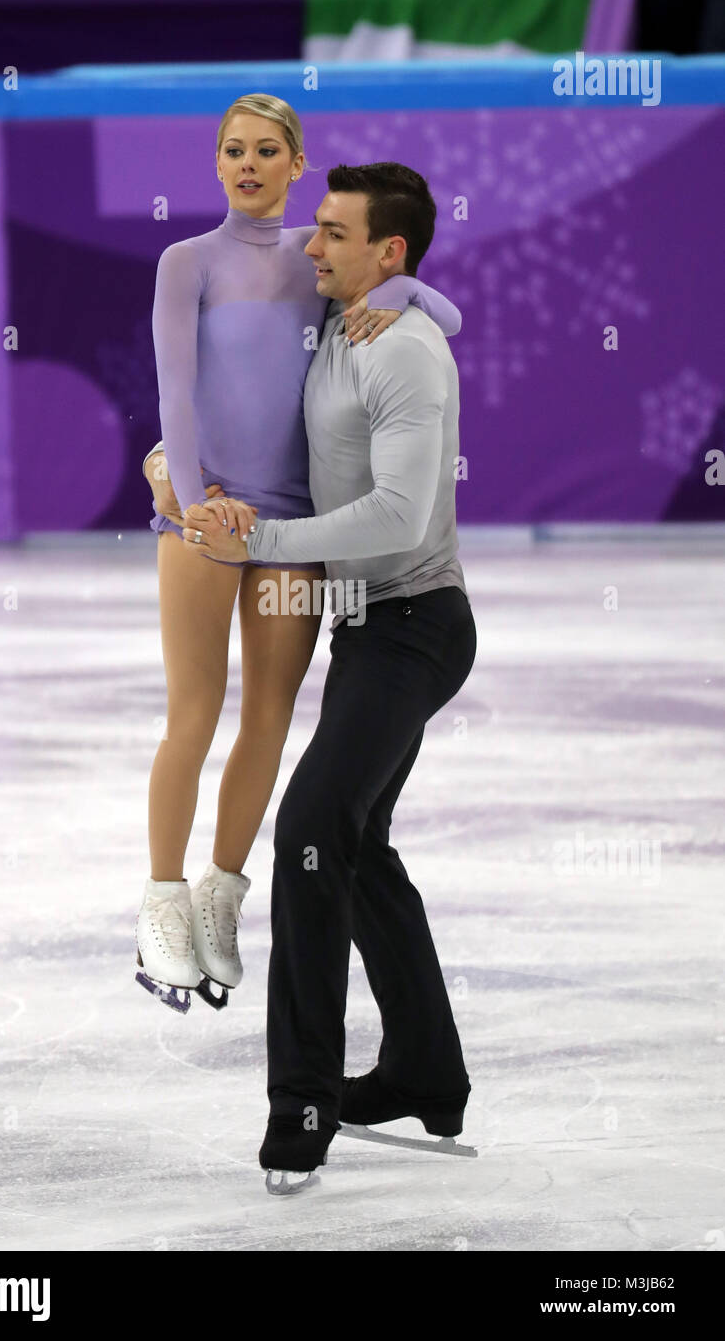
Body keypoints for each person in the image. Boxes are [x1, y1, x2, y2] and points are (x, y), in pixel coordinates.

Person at [181, 162, 476, 1189]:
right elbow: (225, 339)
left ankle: (301, 1097)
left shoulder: (408, 351)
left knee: (310, 829)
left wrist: (262, 539)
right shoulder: (345, 307)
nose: (313, 250)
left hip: (415, 625)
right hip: (359, 622)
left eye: (336, 237)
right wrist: (172, 470)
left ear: (385, 252)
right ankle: (426, 1069)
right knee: (355, 842)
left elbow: (398, 515)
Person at [136, 94, 463, 1013]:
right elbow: (175, 393)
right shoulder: (185, 262)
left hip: (292, 534)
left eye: (266, 150)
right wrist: (191, 498)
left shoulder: (316, 262)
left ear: (296, 164)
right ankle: (161, 899)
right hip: (209, 521)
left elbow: (446, 308)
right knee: (193, 715)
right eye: (232, 150)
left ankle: (221, 891)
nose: (247, 164)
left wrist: (397, 292)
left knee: (271, 721)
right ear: (216, 164)